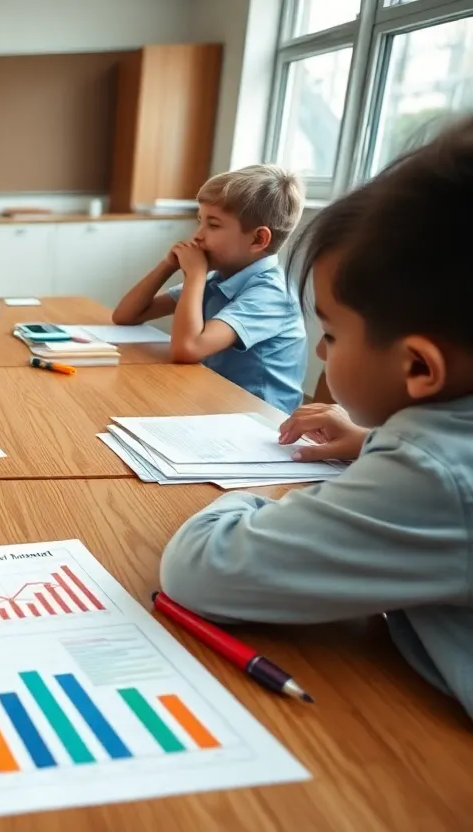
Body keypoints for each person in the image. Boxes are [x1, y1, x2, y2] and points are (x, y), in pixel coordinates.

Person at [160, 119, 473, 722]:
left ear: (418, 365)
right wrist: (371, 442)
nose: (322, 352)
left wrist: (248, 494)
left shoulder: (429, 473)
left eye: (330, 332)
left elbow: (198, 570)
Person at [112, 165, 307, 414]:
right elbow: (126, 315)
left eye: (213, 225)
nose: (198, 236)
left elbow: (187, 349)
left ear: (258, 239)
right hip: (215, 400)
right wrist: (167, 265)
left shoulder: (272, 294)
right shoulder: (219, 279)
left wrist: (195, 275)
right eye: (200, 221)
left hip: (260, 419)